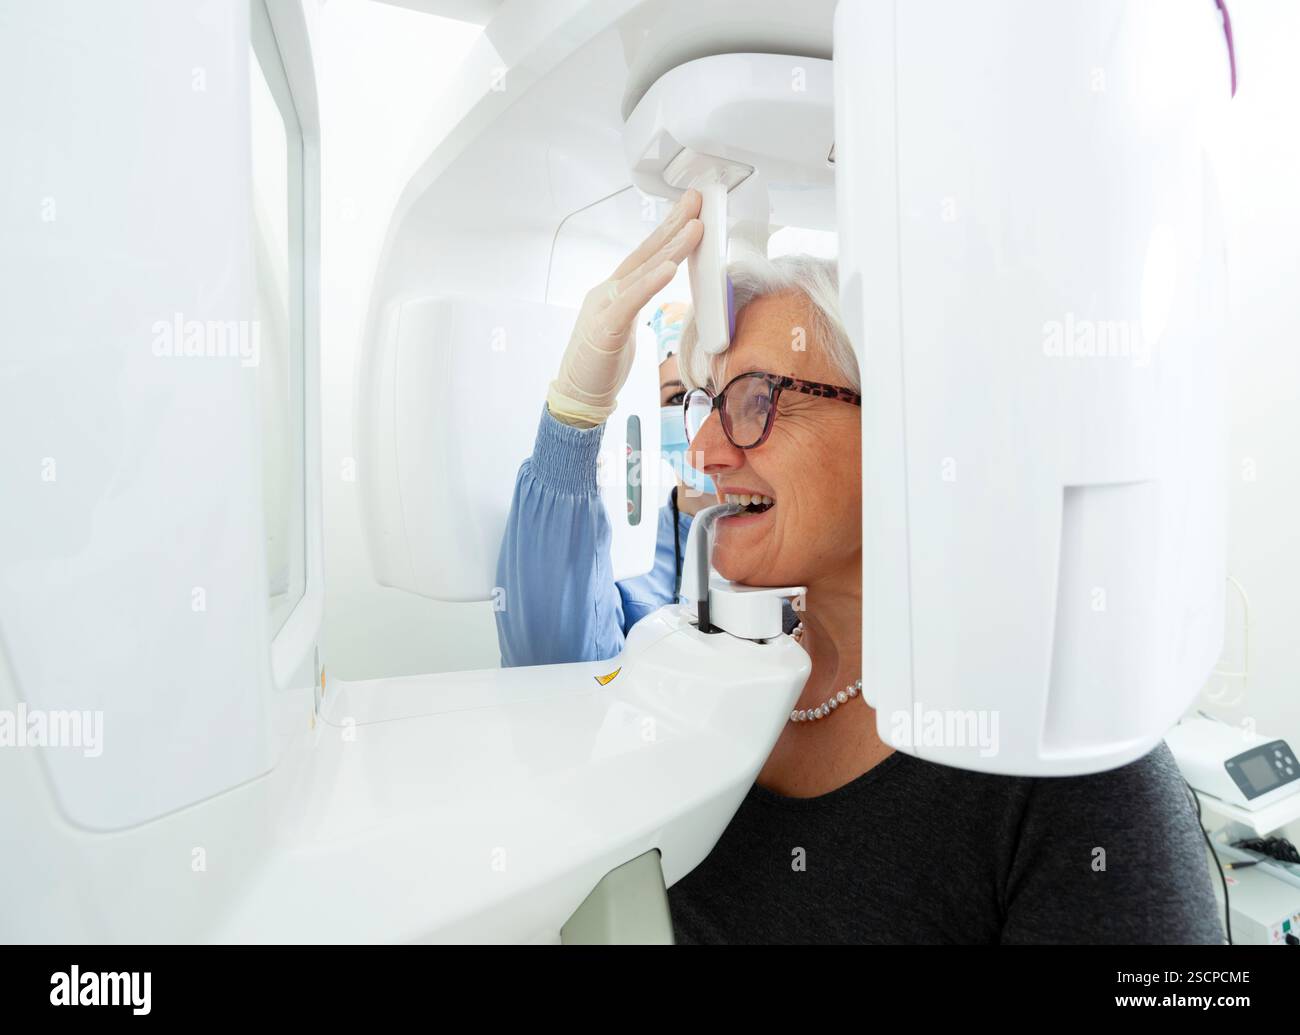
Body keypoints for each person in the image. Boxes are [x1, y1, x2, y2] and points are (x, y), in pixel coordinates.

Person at [494, 190, 712, 666]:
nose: (707, 426)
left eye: (724, 397)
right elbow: (555, 663)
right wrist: (574, 415)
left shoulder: (803, 540)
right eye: (678, 398)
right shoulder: (635, 554)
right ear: (650, 414)